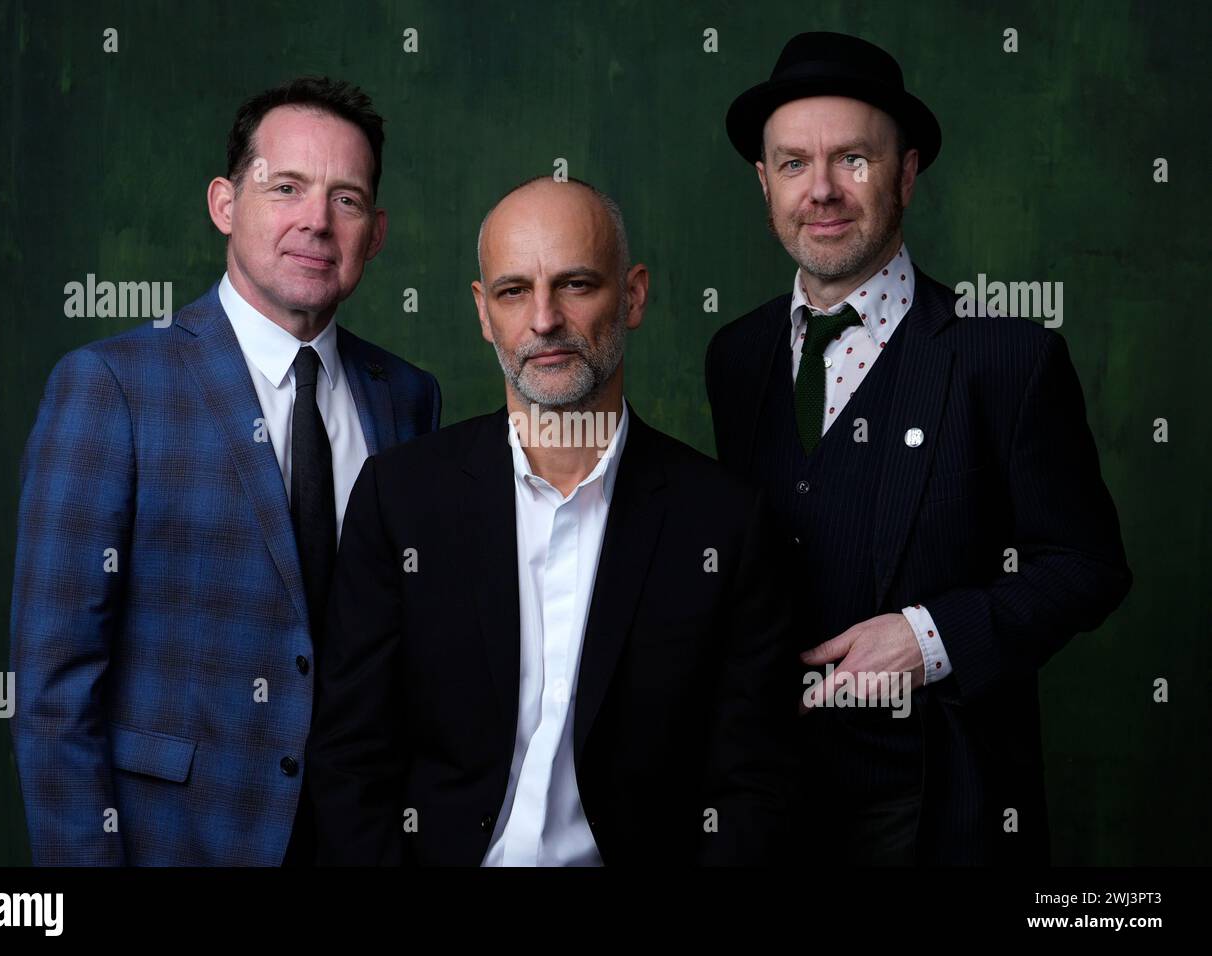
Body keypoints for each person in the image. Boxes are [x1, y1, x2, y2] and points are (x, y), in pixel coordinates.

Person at [707, 32, 1131, 864]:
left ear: (905, 172)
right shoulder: (737, 356)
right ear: (764, 182)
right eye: (793, 164)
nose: (821, 191)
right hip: (768, 807)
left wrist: (928, 636)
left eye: (853, 160)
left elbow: (1089, 567)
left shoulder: (1005, 358)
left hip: (938, 811)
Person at [10, 76, 441, 865]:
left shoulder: (407, 398)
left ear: (375, 234)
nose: (316, 220)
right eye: (286, 188)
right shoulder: (111, 387)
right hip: (176, 842)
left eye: (346, 200)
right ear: (224, 203)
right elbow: (52, 692)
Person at [308, 176, 794, 866]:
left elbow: (752, 787)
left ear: (633, 295)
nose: (543, 320)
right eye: (513, 291)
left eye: (575, 285)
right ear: (484, 311)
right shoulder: (401, 499)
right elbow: (349, 759)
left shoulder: (724, 522)